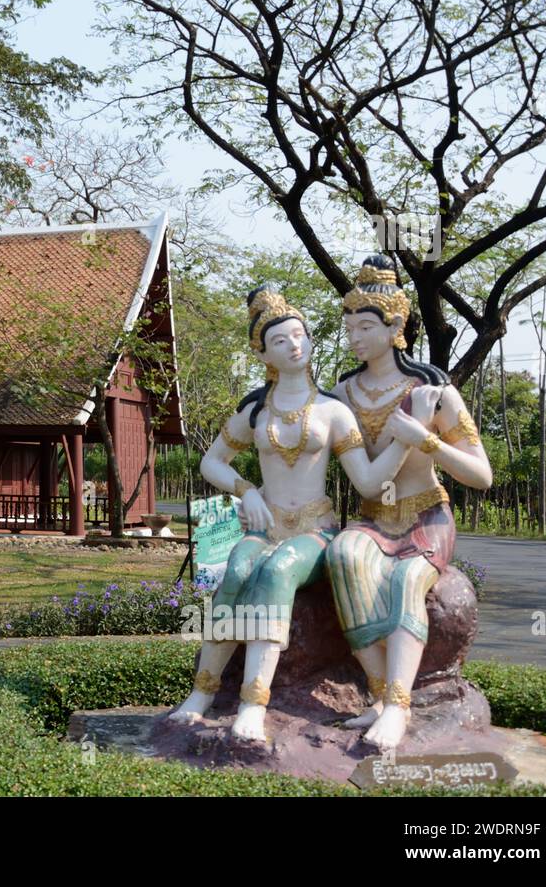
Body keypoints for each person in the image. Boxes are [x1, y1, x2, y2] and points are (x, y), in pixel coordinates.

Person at [171, 284, 427, 741]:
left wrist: (407, 441)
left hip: (315, 530)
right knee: (238, 567)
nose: (293, 345)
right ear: (265, 355)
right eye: (279, 341)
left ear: (309, 340)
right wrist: (246, 489)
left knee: (277, 571)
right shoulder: (255, 411)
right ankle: (202, 692)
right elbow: (212, 462)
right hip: (266, 523)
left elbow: (368, 483)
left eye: (299, 335)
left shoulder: (334, 411)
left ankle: (254, 702)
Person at [326, 255, 493, 749]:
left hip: (425, 514)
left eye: (365, 326)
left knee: (407, 580)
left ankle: (399, 706)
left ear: (395, 325)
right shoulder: (343, 394)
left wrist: (428, 440)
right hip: (372, 517)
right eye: (349, 326)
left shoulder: (435, 393)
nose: (354, 337)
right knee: (342, 557)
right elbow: (360, 482)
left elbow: (481, 476)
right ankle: (378, 694)